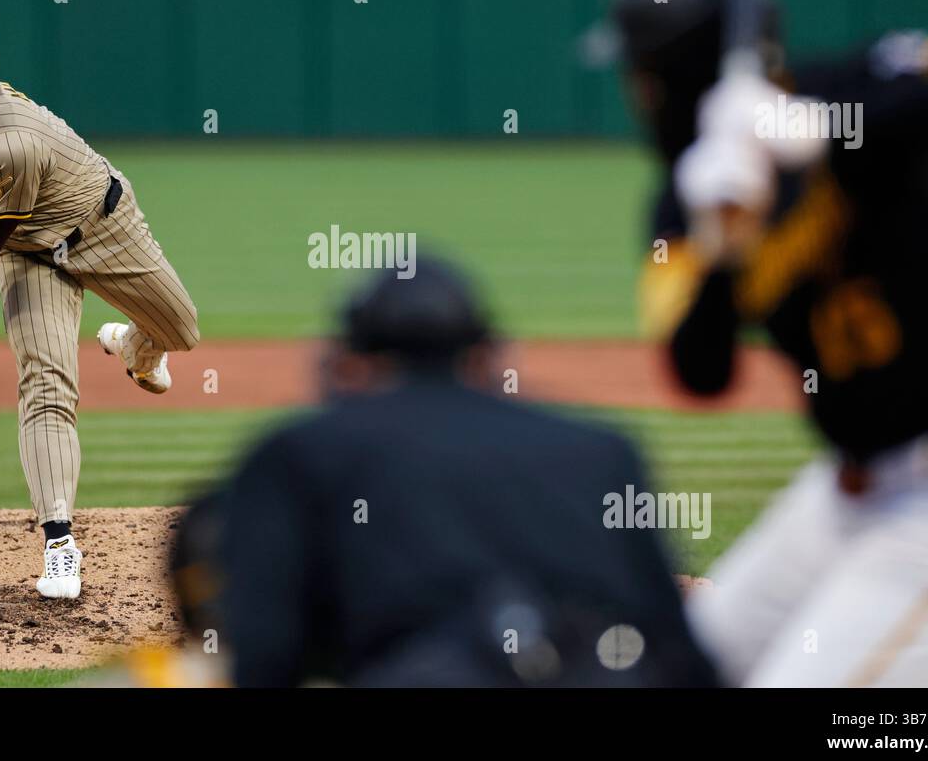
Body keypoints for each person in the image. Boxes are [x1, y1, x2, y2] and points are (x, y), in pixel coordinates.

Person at [603, 0, 928, 685]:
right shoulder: (693, 195)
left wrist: (829, 126)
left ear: (675, 70)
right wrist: (723, 246)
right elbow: (702, 371)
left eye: (643, 69)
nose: (636, 91)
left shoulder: (845, 89)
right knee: (674, 669)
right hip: (848, 491)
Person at [201, 258, 716, 687]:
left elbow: (266, 658)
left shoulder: (299, 451)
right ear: (484, 355)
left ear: (351, 361)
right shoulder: (606, 450)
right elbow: (677, 649)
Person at [0, 0, 200, 600]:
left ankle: (134, 346)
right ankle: (60, 545)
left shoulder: (11, 140)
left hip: (101, 228)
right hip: (28, 256)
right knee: (47, 385)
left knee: (183, 333)